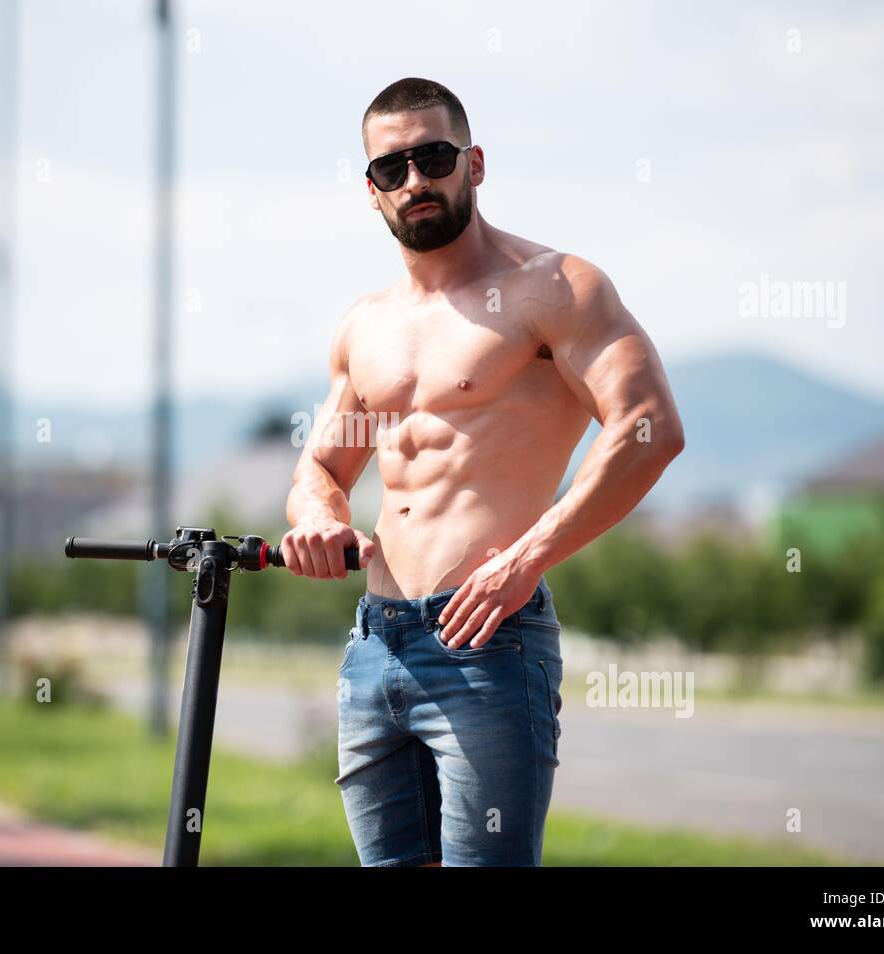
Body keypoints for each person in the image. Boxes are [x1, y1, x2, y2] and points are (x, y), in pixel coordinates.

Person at [281, 77, 685, 866]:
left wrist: (524, 563)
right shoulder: (366, 326)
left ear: (474, 162)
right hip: (375, 645)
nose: (415, 181)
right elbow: (322, 466)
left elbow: (648, 427)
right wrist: (317, 519)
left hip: (488, 639)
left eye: (433, 157)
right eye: (391, 169)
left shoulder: (555, 288)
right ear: (371, 191)